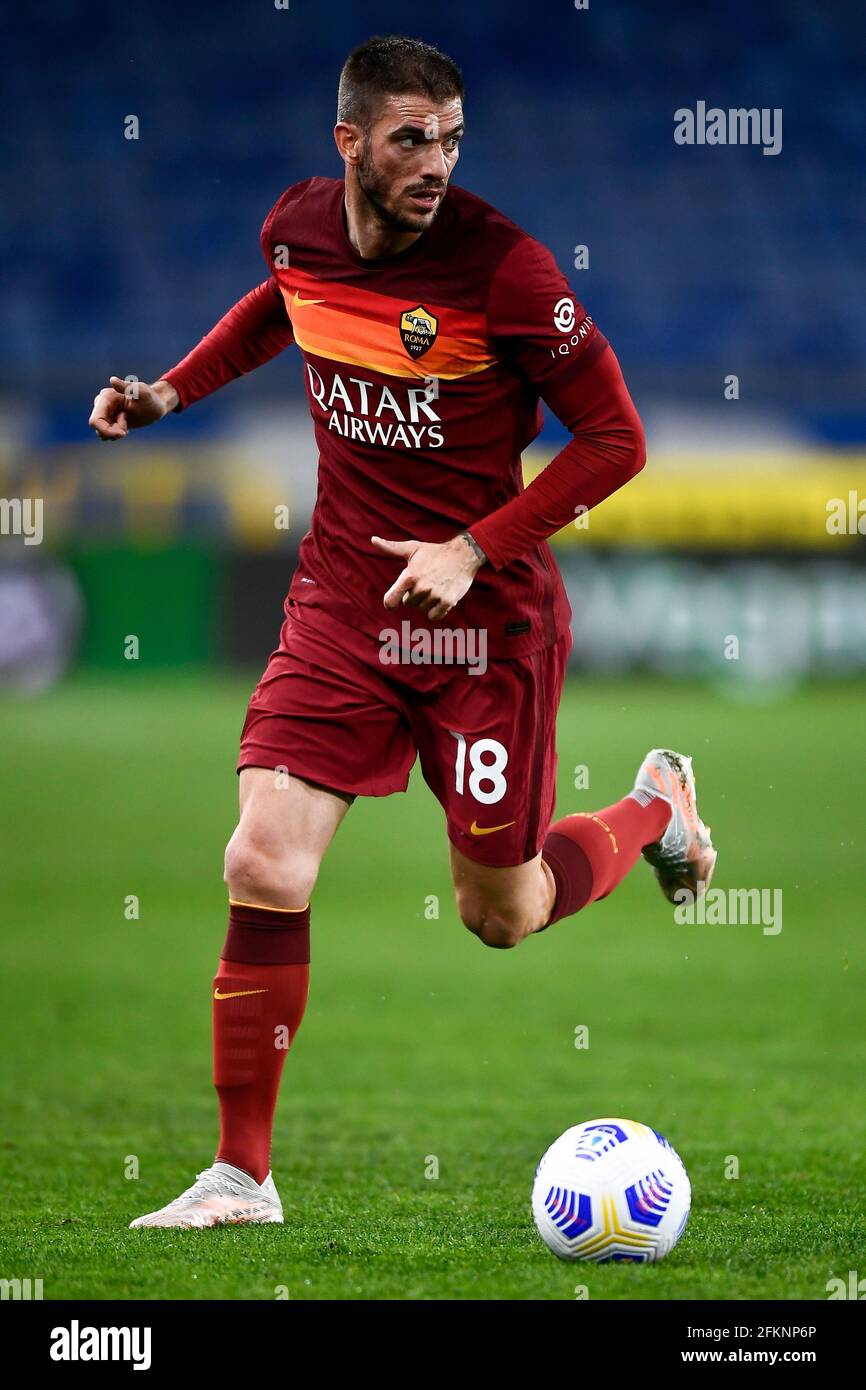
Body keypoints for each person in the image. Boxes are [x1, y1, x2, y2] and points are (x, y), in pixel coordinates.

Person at [89, 35, 716, 1230]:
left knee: (503, 912)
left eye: (452, 138)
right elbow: (285, 304)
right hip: (341, 604)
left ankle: (654, 806)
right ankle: (241, 1175)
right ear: (349, 143)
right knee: (260, 860)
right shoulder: (298, 228)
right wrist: (170, 390)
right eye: (410, 138)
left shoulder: (509, 274)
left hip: (484, 628)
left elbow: (615, 443)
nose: (436, 162)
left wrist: (474, 545)